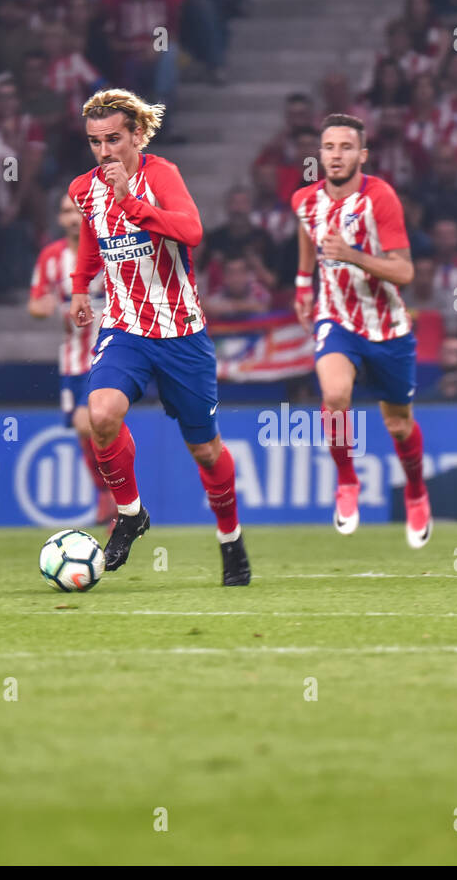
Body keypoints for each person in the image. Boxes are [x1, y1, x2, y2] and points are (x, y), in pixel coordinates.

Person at [67, 88, 249, 586]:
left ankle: (231, 540)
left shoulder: (161, 175)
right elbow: (92, 236)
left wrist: (132, 201)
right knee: (100, 414)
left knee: (206, 451)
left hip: (180, 334)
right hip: (125, 327)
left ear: (138, 135)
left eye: (114, 139)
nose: (104, 152)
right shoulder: (84, 189)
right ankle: (130, 513)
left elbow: (192, 231)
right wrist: (81, 287)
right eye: (95, 142)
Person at [291, 113, 431, 548]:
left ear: (362, 155)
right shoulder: (304, 200)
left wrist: (351, 255)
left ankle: (415, 491)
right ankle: (347, 482)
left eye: (346, 148)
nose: (336, 155)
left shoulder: (381, 198)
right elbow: (306, 234)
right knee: (334, 396)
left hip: (388, 326)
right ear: (320, 154)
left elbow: (405, 271)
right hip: (338, 320)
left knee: (399, 424)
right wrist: (302, 282)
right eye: (330, 147)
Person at [28, 194, 113, 526]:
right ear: (60, 219)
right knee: (86, 433)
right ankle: (111, 497)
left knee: (85, 422)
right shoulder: (51, 258)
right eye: (66, 211)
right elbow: (35, 304)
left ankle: (110, 495)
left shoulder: (110, 247)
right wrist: (42, 308)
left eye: (78, 209)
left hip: (108, 352)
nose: (73, 217)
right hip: (71, 360)